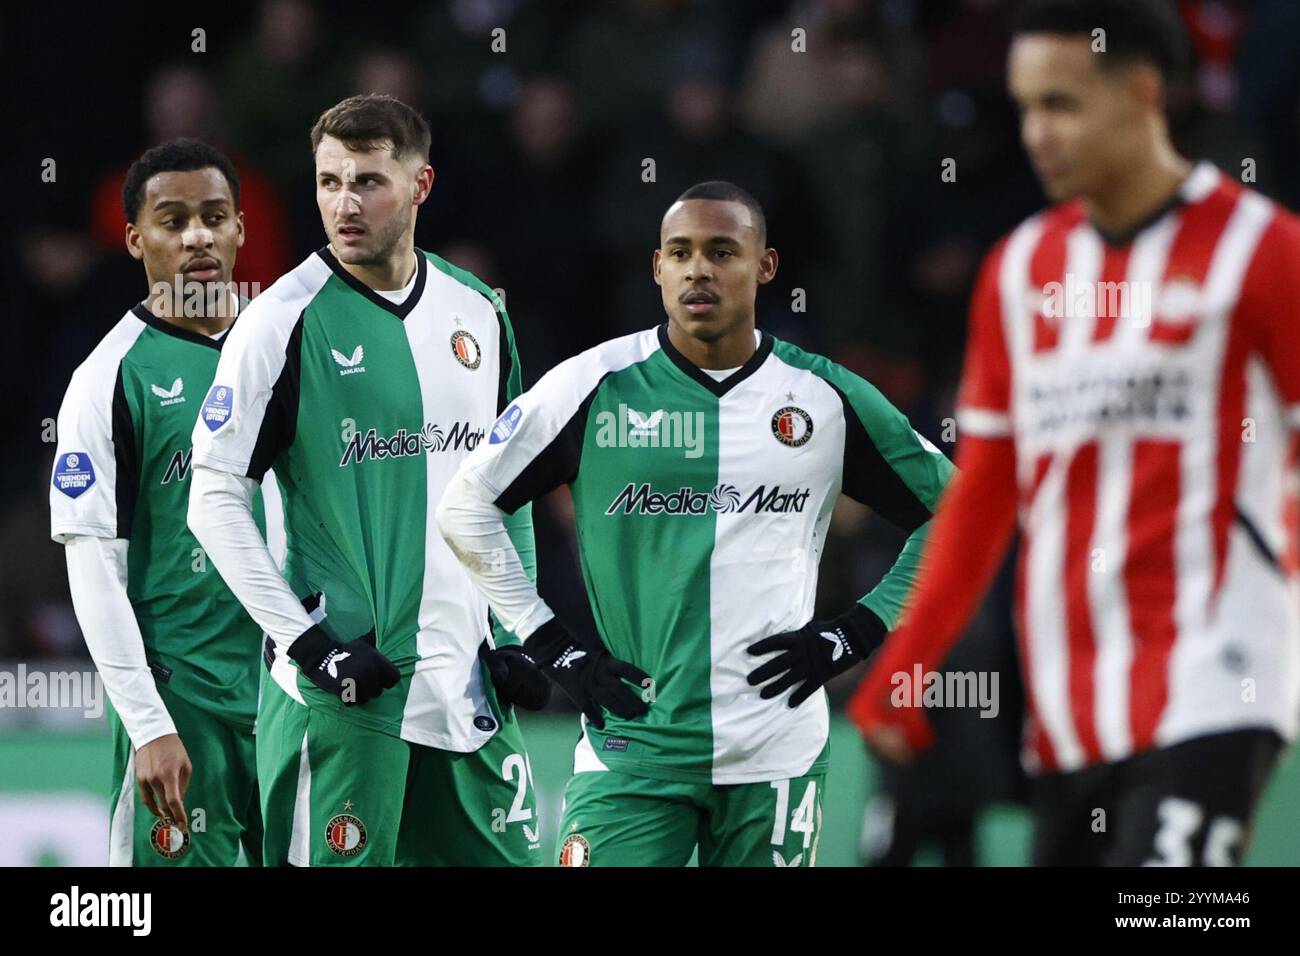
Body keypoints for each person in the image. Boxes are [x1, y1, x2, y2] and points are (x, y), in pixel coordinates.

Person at [851, 0, 1300, 866]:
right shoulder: (1021, 272)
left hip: (1220, 672)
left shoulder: (1262, 252)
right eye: (1025, 107)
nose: (1035, 133)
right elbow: (981, 495)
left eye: (1060, 104)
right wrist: (910, 660)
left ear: (1140, 94)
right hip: (1071, 695)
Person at [437, 180, 954, 867]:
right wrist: (551, 646)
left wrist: (858, 631)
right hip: (633, 753)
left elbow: (958, 513)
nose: (698, 270)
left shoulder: (824, 398)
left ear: (765, 266)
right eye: (679, 253)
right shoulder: (592, 386)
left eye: (721, 251)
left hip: (774, 752)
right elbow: (466, 508)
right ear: (657, 268)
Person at [186, 94, 547, 866]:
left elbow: (503, 490)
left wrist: (518, 629)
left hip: (469, 689)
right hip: (345, 691)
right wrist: (306, 641)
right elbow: (211, 497)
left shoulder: (479, 313)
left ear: (421, 185)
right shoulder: (277, 324)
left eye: (369, 181)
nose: (344, 204)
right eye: (328, 181)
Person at [51, 139, 276, 865]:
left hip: (296, 697)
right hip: (185, 702)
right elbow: (93, 569)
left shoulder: (285, 352)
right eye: (172, 221)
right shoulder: (107, 380)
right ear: (133, 238)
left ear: (241, 228)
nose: (197, 237)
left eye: (214, 217)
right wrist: (147, 724)